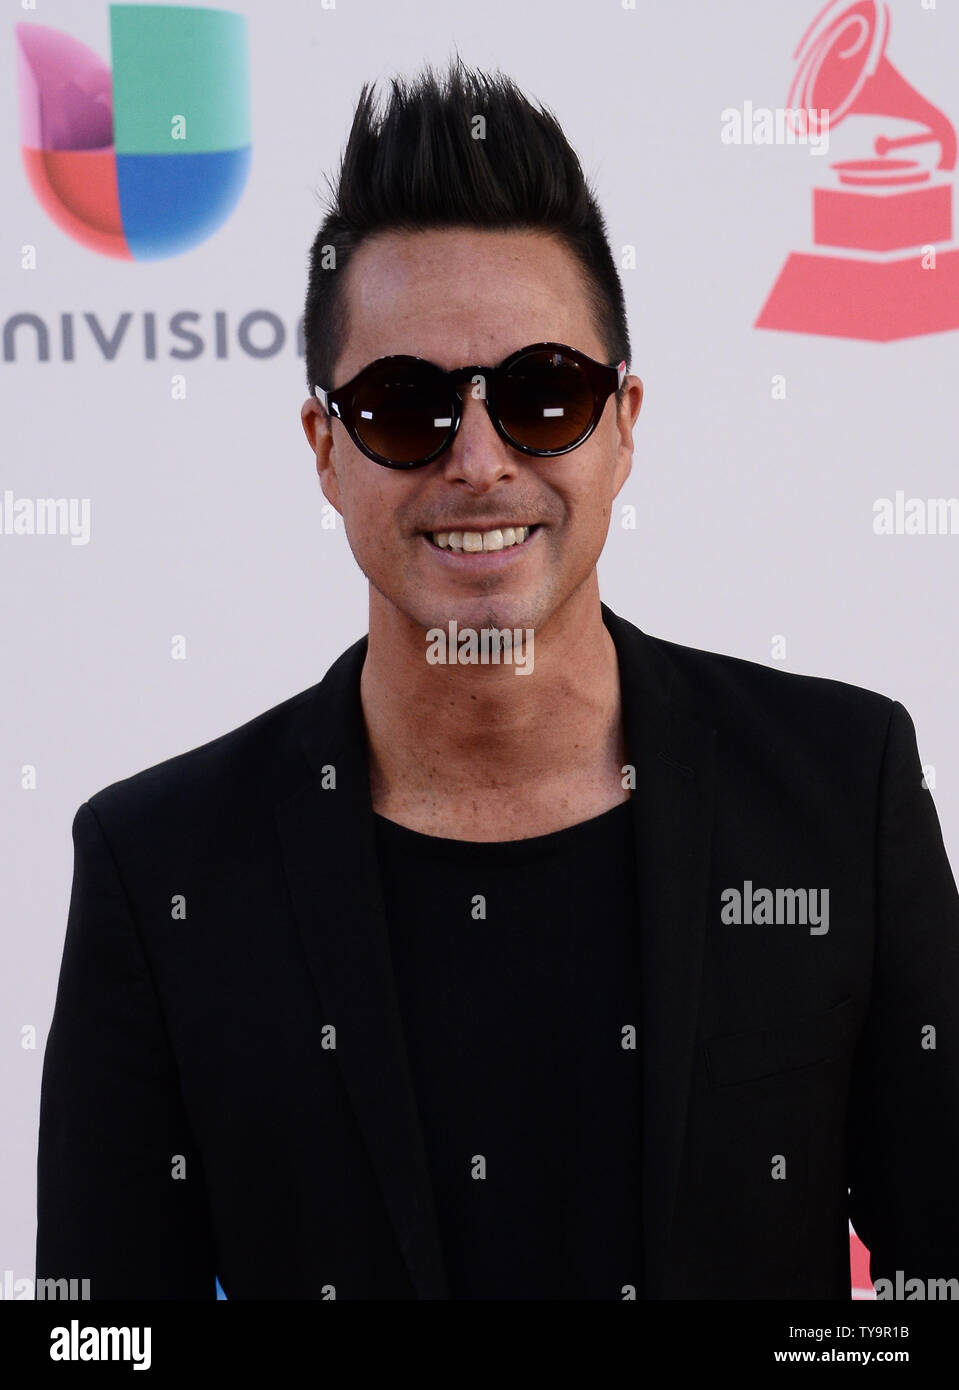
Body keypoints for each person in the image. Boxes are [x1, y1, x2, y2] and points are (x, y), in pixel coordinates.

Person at [36, 58, 959, 1301]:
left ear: (623, 421)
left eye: (542, 394)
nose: (478, 461)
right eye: (405, 407)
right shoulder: (162, 868)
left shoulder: (837, 792)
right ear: (325, 448)